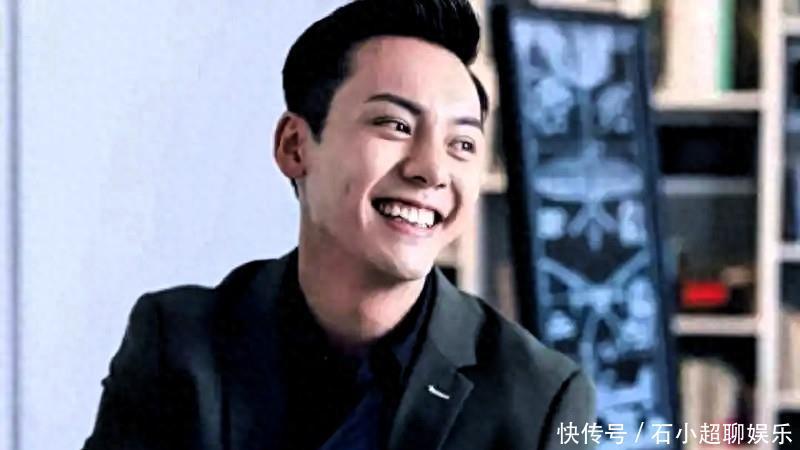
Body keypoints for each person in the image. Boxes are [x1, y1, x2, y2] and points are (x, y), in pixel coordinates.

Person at [82, 0, 597, 449]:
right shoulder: (176, 344)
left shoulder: (540, 398)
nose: (432, 170)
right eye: (395, 124)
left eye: (461, 144)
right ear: (295, 146)